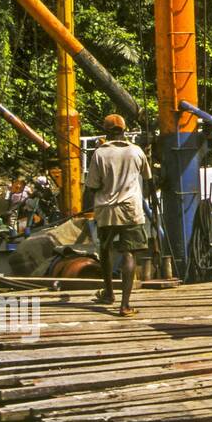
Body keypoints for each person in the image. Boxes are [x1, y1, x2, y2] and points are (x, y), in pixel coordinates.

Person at [84, 114, 151, 317]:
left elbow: (92, 186)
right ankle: (125, 305)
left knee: (105, 250)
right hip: (131, 209)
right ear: (125, 129)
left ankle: (109, 294)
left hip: (106, 210)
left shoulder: (99, 154)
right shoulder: (136, 151)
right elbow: (147, 178)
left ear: (106, 131)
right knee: (129, 253)